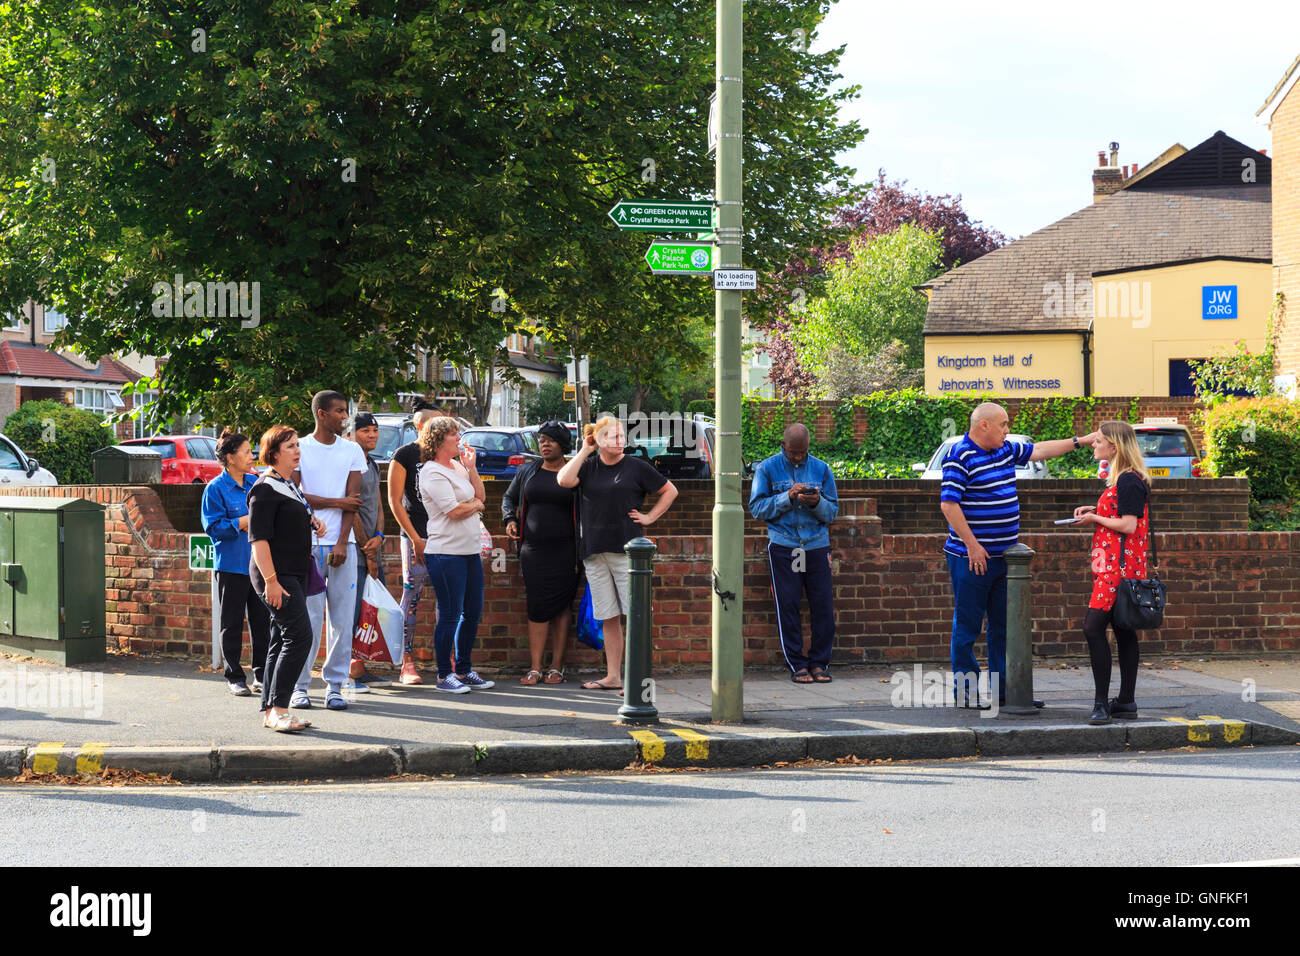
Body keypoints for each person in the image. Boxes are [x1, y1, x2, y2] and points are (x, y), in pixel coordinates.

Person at [939, 402, 1101, 707]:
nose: (1007, 430)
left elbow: (1039, 450)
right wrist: (973, 545)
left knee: (1003, 626)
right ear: (983, 425)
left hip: (1006, 557)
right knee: (968, 626)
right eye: (1003, 424)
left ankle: (1005, 692)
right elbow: (949, 504)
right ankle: (967, 695)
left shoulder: (1003, 450)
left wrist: (1081, 440)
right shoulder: (959, 455)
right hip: (971, 557)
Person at [557, 416, 678, 691]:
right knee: (608, 616)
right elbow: (563, 480)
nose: (620, 441)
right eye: (613, 437)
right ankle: (613, 676)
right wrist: (585, 450)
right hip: (594, 551)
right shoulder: (587, 467)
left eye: (622, 436)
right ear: (598, 440)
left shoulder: (636, 467)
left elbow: (670, 491)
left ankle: (638, 678)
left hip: (628, 552)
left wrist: (649, 518)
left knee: (636, 614)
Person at [248, 426, 327, 733]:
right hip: (276, 575)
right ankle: (281, 708)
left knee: (281, 638)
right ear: (275, 452)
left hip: (293, 572)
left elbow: (293, 517)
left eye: (297, 445)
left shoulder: (287, 484)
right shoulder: (264, 489)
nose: (298, 450)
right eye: (291, 446)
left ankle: (271, 710)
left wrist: (313, 522)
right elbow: (259, 541)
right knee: (300, 636)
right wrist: (271, 581)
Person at [1070, 421, 1151, 724]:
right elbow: (1122, 513)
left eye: (1099, 441)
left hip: (1117, 571)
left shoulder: (1128, 480)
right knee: (1123, 630)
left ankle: (1101, 704)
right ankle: (1126, 702)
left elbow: (1129, 525)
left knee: (1093, 628)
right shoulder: (1124, 480)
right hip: (1117, 567)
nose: (1094, 444)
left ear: (1114, 447)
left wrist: (1094, 518)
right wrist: (1095, 510)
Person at [748, 423, 840, 684]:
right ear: (784, 445)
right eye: (793, 452)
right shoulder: (767, 468)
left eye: (803, 452)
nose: (798, 457)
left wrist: (816, 503)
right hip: (784, 544)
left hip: (815, 544)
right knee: (787, 605)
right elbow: (756, 508)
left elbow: (832, 511)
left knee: (822, 606)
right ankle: (797, 664)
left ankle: (820, 663)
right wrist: (787, 497)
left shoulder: (821, 469)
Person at [292, 390, 366, 711]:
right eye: (338, 411)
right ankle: (300, 685)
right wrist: (336, 501)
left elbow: (355, 501)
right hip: (306, 546)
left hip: (342, 545)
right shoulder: (301, 449)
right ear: (321, 414)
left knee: (341, 618)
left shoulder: (351, 450)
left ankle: (336, 685)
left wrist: (341, 541)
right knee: (307, 619)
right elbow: (296, 495)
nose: (344, 416)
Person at [418, 416, 495, 694]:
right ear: (438, 440)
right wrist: (474, 504)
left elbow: (482, 496)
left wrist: (472, 469)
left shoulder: (458, 467)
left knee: (472, 613)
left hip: (469, 551)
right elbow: (453, 511)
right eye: (453, 435)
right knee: (450, 614)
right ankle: (443, 675)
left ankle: (463, 670)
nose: (459, 439)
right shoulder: (431, 472)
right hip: (445, 553)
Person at [503, 421, 578, 684]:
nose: (544, 445)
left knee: (561, 607)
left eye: (551, 440)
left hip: (567, 551)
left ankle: (556, 666)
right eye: (542, 440)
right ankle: (535, 667)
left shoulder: (574, 472)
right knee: (536, 606)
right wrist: (509, 519)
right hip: (533, 551)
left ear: (562, 445)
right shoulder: (528, 471)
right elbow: (508, 499)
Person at [201, 429, 271, 696]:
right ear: (230, 458)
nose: (251, 456)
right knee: (231, 623)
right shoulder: (215, 489)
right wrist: (241, 522)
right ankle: (234, 676)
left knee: (262, 622)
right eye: (245, 452)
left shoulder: (257, 482)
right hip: (231, 565)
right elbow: (213, 527)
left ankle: (262, 674)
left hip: (260, 565)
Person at [387, 407, 438, 684]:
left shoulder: (446, 454)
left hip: (446, 537)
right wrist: (415, 538)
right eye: (434, 422)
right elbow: (395, 501)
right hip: (414, 535)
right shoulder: (405, 454)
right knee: (412, 594)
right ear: (419, 426)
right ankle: (406, 662)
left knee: (449, 600)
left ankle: (449, 662)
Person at [346, 411, 390, 686]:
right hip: (356, 550)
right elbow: (350, 508)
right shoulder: (348, 463)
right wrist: (367, 548)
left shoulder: (372, 463)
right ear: (351, 434)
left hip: (374, 546)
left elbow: (378, 504)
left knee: (368, 613)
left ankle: (360, 669)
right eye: (365, 431)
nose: (372, 435)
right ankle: (348, 674)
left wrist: (381, 535)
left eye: (374, 431)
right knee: (351, 613)